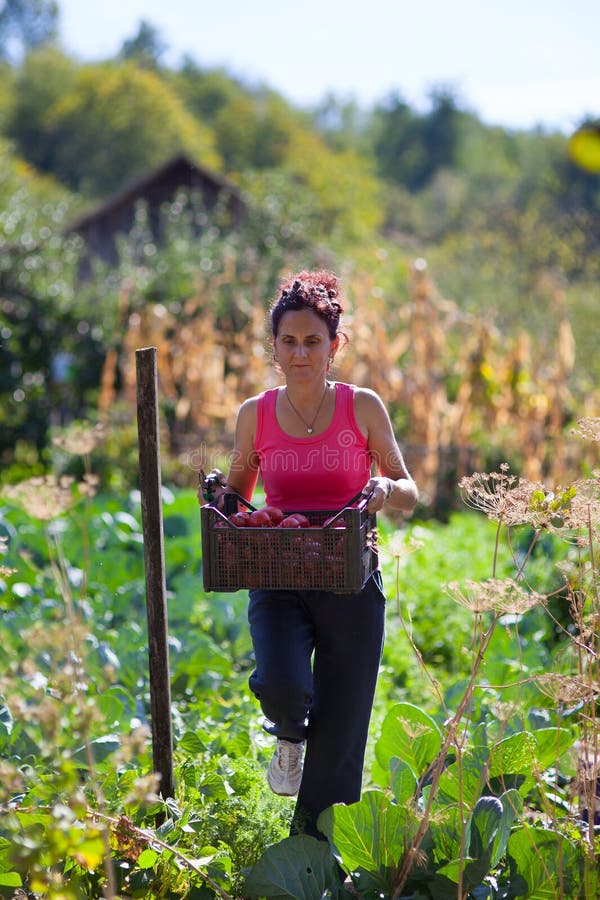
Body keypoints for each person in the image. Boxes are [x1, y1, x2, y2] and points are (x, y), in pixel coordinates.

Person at [200, 270, 418, 839]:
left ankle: (315, 857)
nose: (300, 353)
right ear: (274, 347)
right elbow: (240, 498)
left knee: (343, 736)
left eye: (313, 341)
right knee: (281, 682)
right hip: (279, 574)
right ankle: (290, 735)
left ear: (334, 346)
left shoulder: (362, 408)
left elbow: (411, 491)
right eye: (289, 341)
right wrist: (221, 494)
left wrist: (385, 490)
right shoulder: (256, 413)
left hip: (350, 576)